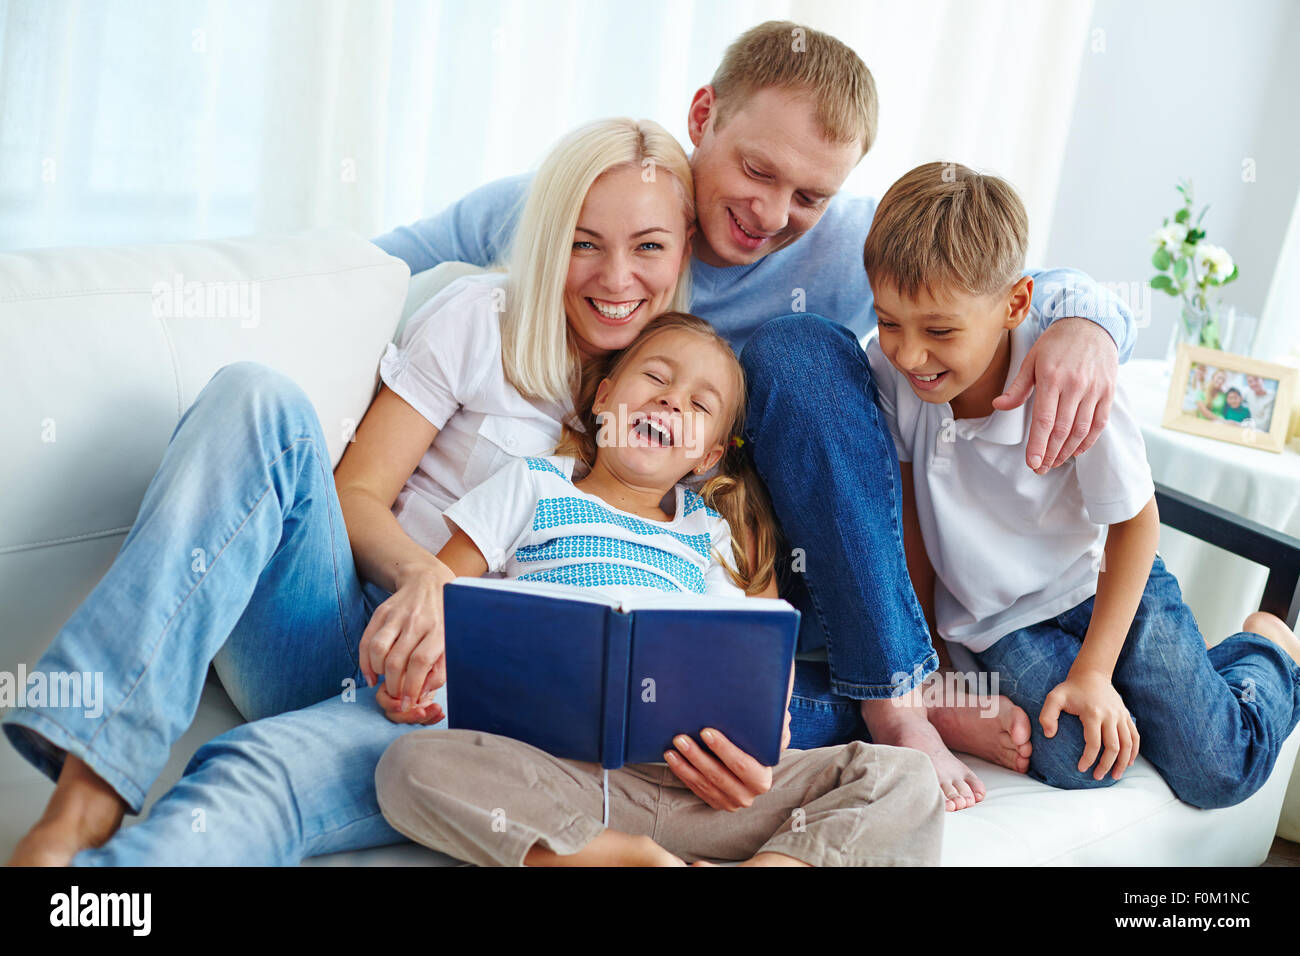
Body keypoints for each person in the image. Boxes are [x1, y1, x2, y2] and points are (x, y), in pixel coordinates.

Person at [374, 20, 1139, 812]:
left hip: (784, 558)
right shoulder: (588, 206)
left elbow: (995, 276)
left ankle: (898, 694)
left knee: (796, 352)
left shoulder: (850, 247)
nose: (773, 215)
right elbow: (375, 262)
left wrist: (1085, 321)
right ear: (703, 115)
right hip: (634, 555)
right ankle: (872, 700)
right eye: (757, 171)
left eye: (810, 195)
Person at [3, 117, 697, 866]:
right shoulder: (481, 318)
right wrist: (419, 572)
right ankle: (83, 801)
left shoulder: (690, 400)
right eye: (584, 242)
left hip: (452, 714)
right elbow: (357, 490)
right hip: (336, 630)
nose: (616, 279)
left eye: (648, 246)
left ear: (683, 246)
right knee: (255, 397)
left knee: (257, 779)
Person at [374, 312, 944, 866]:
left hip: (699, 787)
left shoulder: (710, 533)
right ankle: (627, 860)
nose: (672, 400)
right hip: (560, 777)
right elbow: (441, 599)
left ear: (708, 455)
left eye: (699, 405)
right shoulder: (534, 484)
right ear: (602, 399)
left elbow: (758, 663)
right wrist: (414, 677)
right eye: (655, 377)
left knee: (904, 778)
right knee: (408, 767)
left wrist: (764, 739)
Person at [861, 161, 1300, 807]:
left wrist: (1094, 672)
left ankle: (1264, 647)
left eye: (940, 331)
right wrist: (938, 661)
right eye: (890, 321)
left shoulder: (1068, 374)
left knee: (1217, 770)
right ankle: (1157, 693)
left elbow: (1134, 522)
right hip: (1005, 622)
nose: (909, 354)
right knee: (1080, 756)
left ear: (1015, 304)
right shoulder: (888, 368)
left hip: (1102, 582)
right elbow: (912, 524)